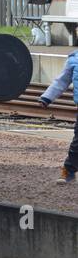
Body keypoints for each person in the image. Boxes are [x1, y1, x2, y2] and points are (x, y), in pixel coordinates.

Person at [39, 50, 78, 184]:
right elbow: (61, 81)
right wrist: (47, 97)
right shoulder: (74, 59)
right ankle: (68, 171)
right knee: (77, 144)